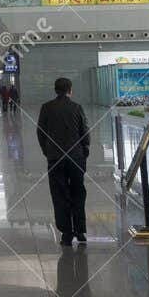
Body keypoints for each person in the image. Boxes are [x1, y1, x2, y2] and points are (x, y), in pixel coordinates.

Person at [36, 76, 90, 247]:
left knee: (60, 195)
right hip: (76, 157)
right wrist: (85, 149)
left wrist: (47, 151)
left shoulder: (46, 108)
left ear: (55, 90)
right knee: (78, 192)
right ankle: (80, 230)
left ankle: (66, 233)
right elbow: (84, 131)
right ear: (70, 90)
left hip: (55, 158)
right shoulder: (77, 107)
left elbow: (41, 132)